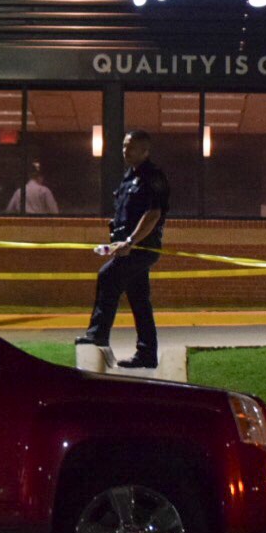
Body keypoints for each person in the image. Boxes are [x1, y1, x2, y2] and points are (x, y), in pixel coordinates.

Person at [76, 129, 169, 370]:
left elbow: (153, 213)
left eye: (132, 147)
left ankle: (97, 335)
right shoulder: (129, 177)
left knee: (108, 276)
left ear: (145, 151)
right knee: (139, 300)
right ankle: (147, 354)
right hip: (126, 247)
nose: (126, 151)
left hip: (141, 248)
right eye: (125, 146)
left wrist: (130, 241)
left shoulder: (153, 176)